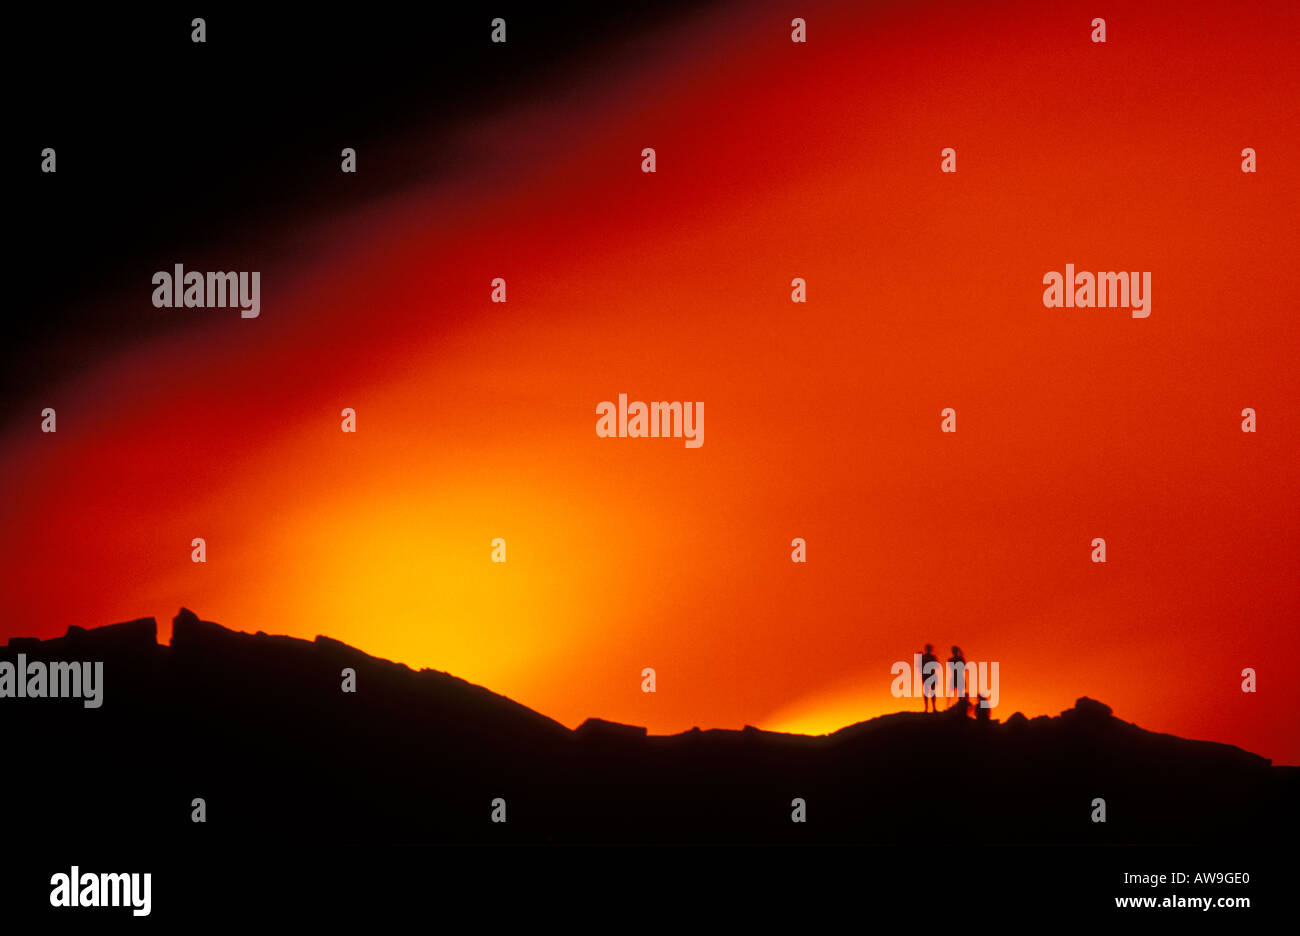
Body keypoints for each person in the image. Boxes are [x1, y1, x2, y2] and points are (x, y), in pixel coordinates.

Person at [946, 645, 968, 711]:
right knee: (957, 693)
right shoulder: (958, 659)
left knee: (958, 694)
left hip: (956, 677)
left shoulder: (951, 660)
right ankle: (950, 706)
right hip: (957, 677)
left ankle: (958, 707)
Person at [920, 643, 939, 712]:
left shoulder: (931, 657)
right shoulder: (925, 657)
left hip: (930, 675)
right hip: (926, 675)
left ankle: (932, 707)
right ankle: (927, 708)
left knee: (931, 692)